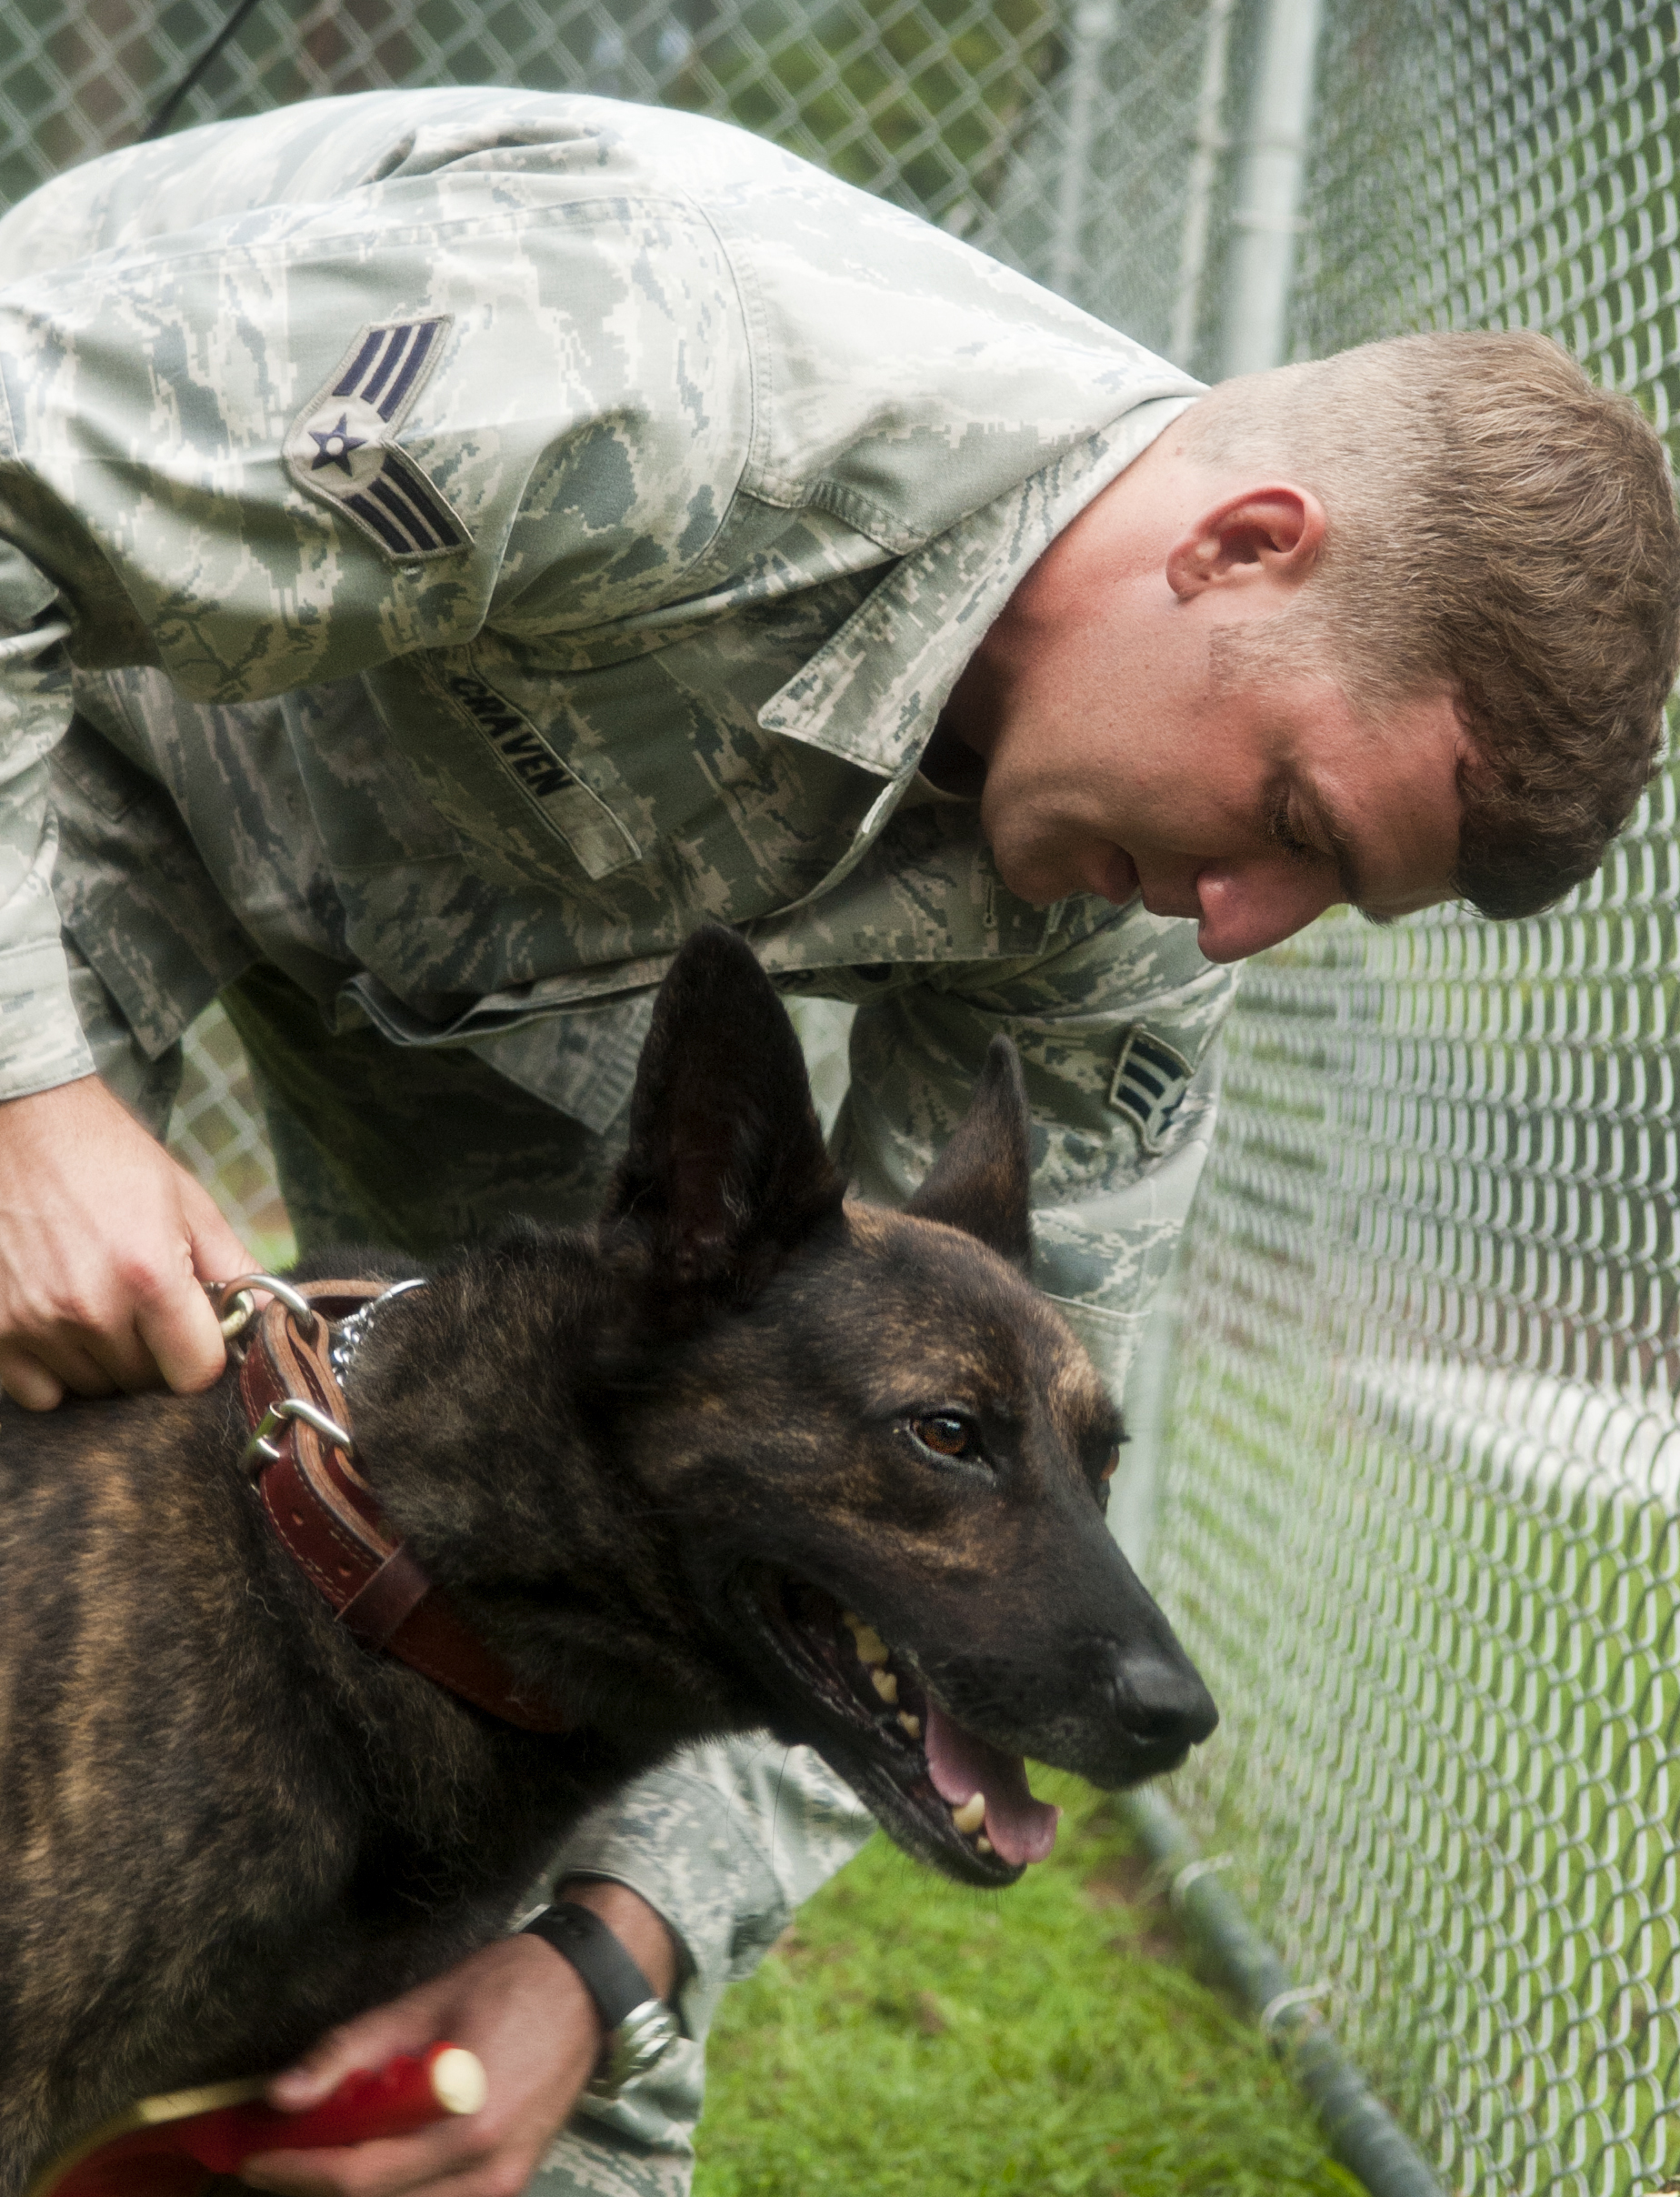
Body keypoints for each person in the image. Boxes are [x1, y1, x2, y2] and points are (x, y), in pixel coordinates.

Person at [0, 84, 1674, 2197]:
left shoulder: (1135, 939)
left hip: (496, 984)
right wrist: (25, 1095)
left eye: (1334, 897)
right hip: (75, 711)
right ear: (1245, 545)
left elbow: (902, 1493)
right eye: (1294, 823)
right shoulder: (673, 359)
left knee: (552, 2050)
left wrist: (603, 1958)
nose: (1246, 921)